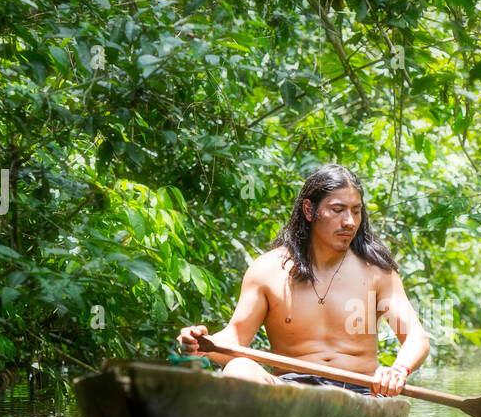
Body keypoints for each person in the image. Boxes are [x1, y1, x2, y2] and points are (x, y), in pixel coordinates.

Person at [176, 164, 429, 396]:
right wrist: (202, 344)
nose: (350, 222)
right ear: (309, 210)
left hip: (361, 392)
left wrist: (398, 370)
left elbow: (416, 337)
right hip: (291, 392)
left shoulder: (377, 271)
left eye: (356, 211)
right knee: (239, 367)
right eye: (338, 210)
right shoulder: (268, 269)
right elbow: (235, 339)